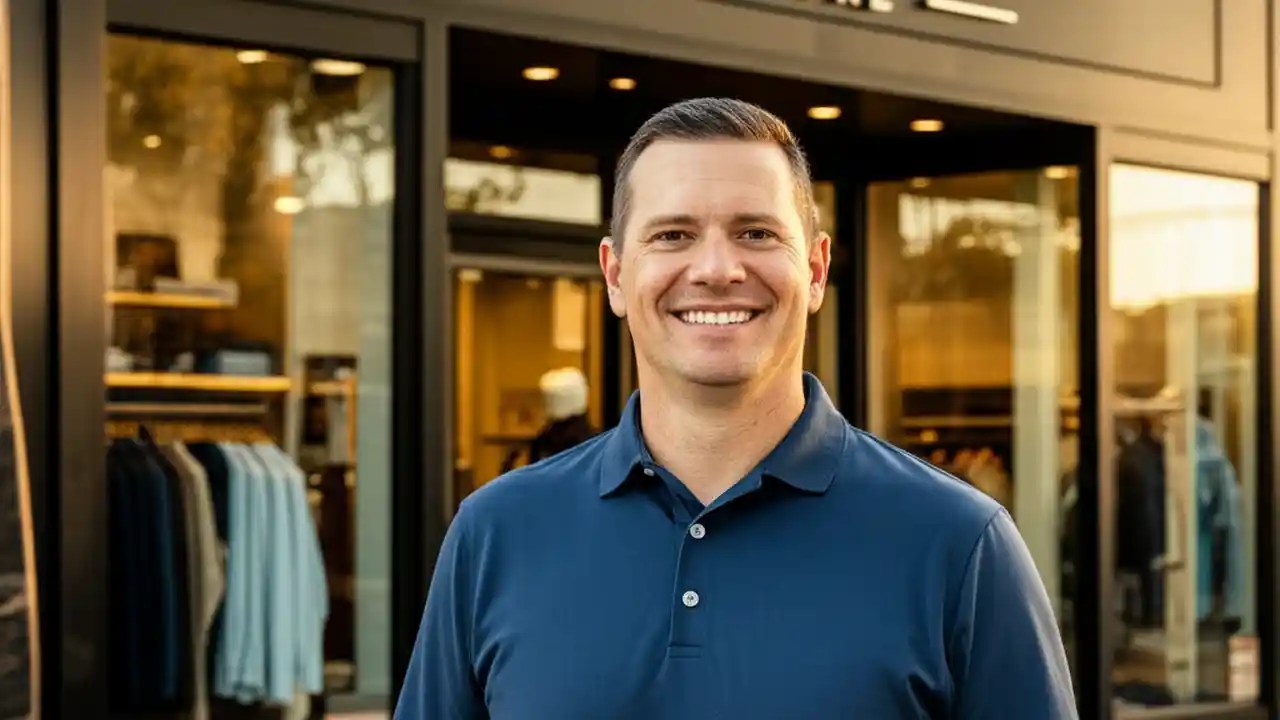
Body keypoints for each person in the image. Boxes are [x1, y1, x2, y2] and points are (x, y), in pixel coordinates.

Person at [395, 97, 1077, 718]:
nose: (717, 268)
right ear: (614, 274)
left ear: (814, 270)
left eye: (755, 233)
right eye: (672, 235)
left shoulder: (959, 544)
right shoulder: (498, 533)